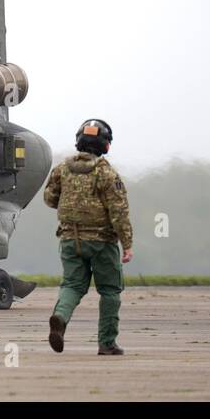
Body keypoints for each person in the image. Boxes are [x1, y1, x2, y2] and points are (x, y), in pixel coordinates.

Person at [43, 118, 133, 356]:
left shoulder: (62, 169)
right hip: (102, 243)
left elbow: (50, 199)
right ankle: (107, 343)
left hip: (70, 240)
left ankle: (60, 317)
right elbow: (119, 212)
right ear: (105, 145)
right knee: (110, 291)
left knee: (72, 285)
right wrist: (127, 244)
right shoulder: (106, 173)